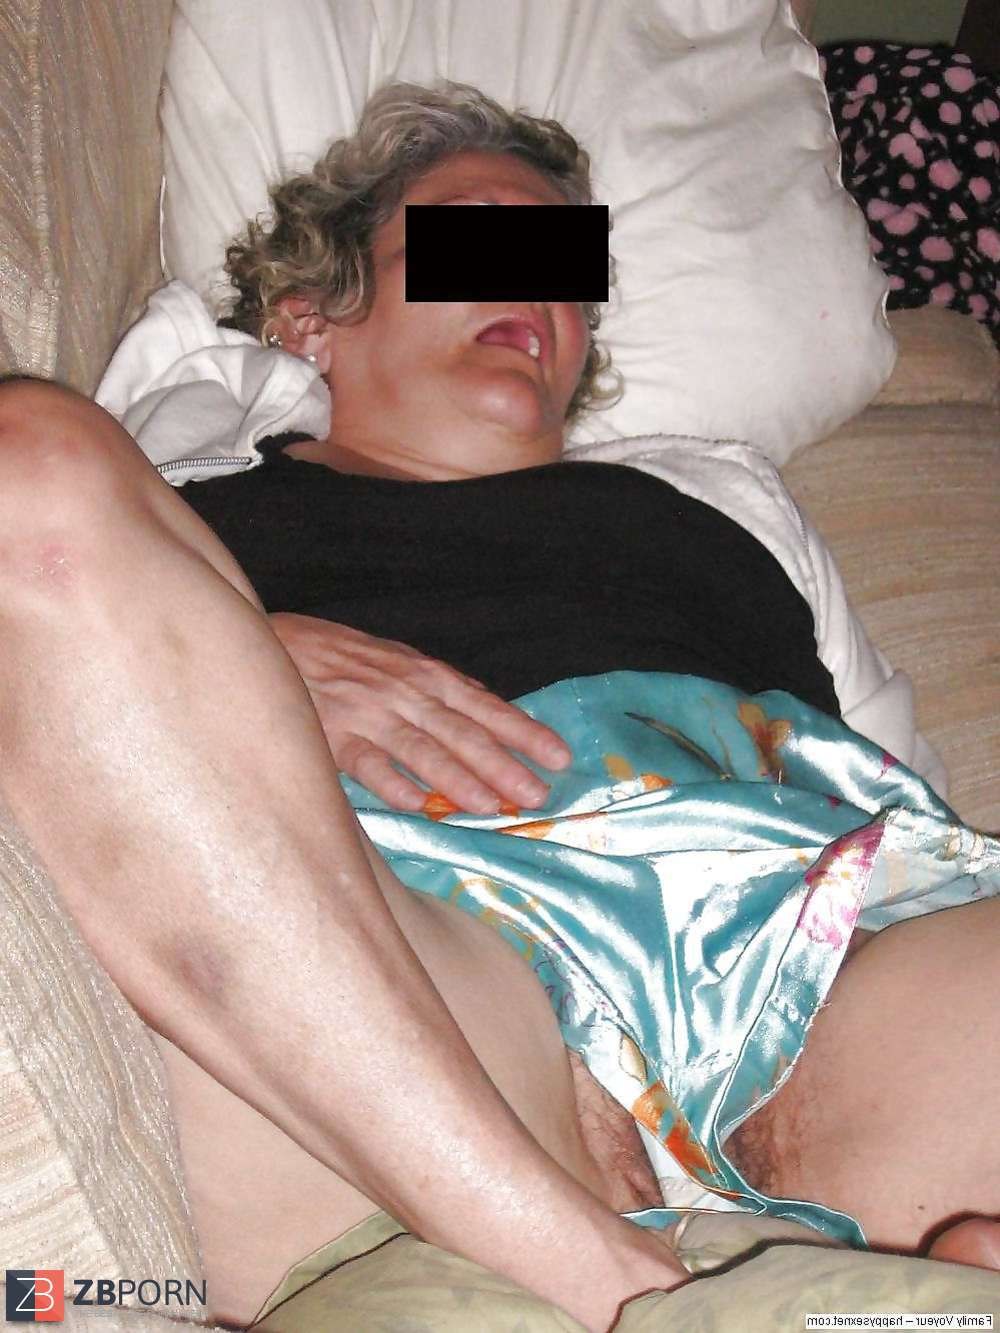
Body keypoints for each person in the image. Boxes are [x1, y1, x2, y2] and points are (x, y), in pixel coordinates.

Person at [0, 79, 997, 1333]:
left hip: (794, 957)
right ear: (313, 316)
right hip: (404, 994)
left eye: (566, 276)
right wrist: (249, 658)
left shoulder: (716, 512)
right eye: (473, 245)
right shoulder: (193, 512)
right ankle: (615, 1283)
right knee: (24, 466)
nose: (534, 290)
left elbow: (894, 786)